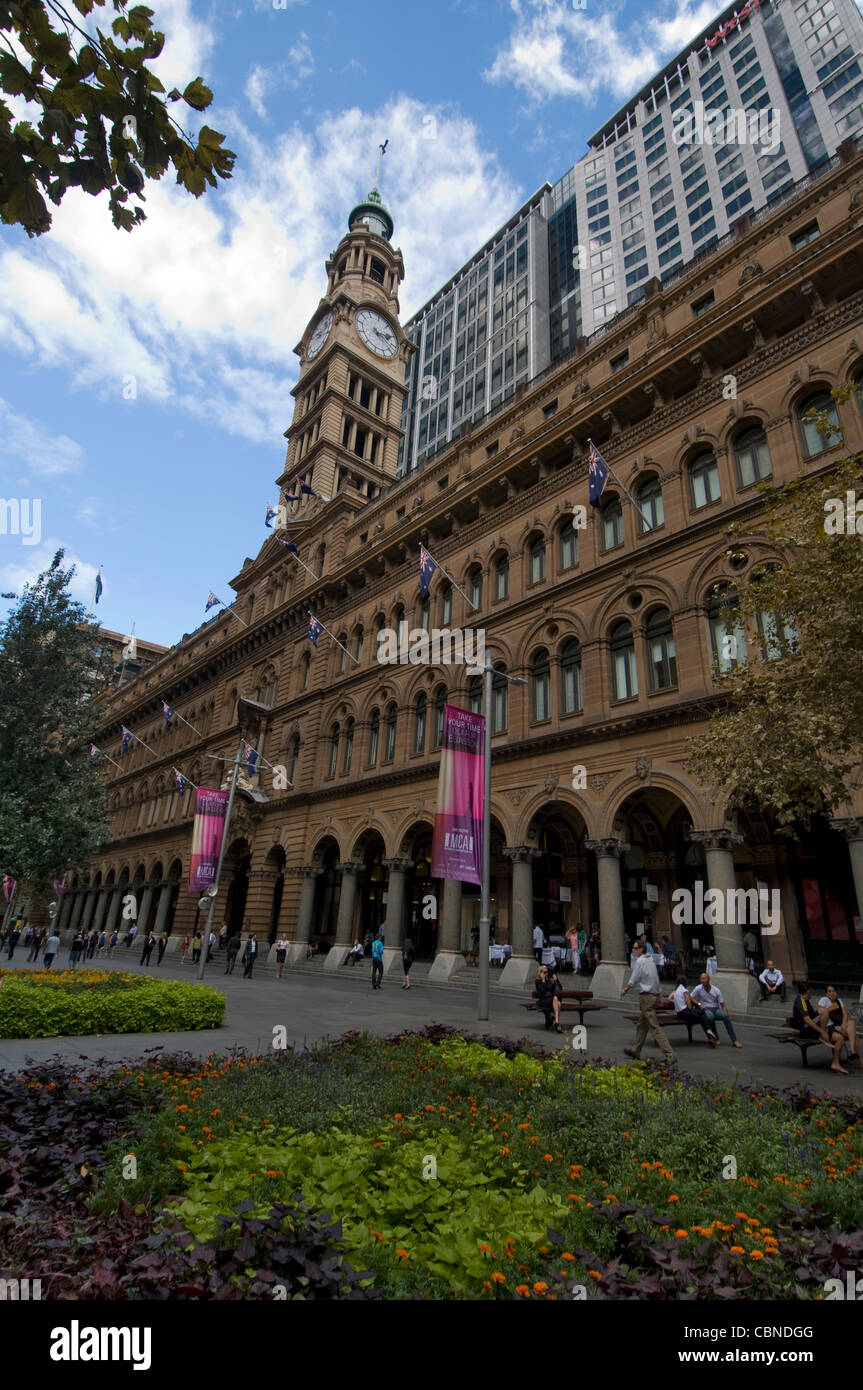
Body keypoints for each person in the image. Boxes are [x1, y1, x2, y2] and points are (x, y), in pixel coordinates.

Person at [621, 941, 675, 1065]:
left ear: (641, 949)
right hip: (653, 995)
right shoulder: (650, 961)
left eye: (635, 948)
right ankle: (636, 1050)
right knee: (642, 1024)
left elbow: (635, 977)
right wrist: (659, 995)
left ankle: (669, 1054)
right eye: (633, 948)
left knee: (653, 1026)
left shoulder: (640, 961)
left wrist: (626, 989)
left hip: (646, 996)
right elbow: (656, 979)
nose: (633, 951)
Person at [793, 983, 849, 1075]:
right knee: (824, 1012)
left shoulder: (806, 1001)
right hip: (806, 1030)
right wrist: (821, 1031)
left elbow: (814, 1017)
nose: (812, 994)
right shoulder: (801, 1001)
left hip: (818, 1028)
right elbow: (807, 1020)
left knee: (840, 1038)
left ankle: (835, 1063)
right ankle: (822, 1036)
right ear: (807, 992)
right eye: (811, 992)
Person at [691, 973, 742, 1047]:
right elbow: (690, 997)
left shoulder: (716, 990)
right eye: (701, 979)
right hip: (705, 1008)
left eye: (704, 978)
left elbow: (723, 1004)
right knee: (710, 1017)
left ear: (708, 979)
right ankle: (716, 1038)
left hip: (715, 1008)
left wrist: (725, 1013)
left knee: (725, 1017)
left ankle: (734, 1040)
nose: (703, 981)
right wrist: (699, 1004)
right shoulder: (698, 988)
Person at [669, 974, 719, 1045]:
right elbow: (689, 1005)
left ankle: (709, 1032)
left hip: (679, 1013)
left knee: (701, 1014)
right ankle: (709, 1032)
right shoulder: (684, 991)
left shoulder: (676, 990)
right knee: (702, 1017)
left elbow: (669, 998)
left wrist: (677, 1002)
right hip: (685, 1012)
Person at [817, 985, 859, 1063]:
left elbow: (845, 1014)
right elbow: (819, 1011)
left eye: (833, 991)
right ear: (826, 994)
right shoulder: (824, 1000)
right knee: (854, 1035)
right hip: (828, 1026)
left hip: (838, 1024)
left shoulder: (839, 1000)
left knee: (851, 1023)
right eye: (829, 991)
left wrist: (843, 1025)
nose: (832, 993)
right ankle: (838, 1060)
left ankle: (852, 1049)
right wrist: (832, 1008)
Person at [534, 963, 563, 1033]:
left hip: (551, 1000)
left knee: (558, 1002)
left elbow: (558, 989)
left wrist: (556, 981)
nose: (546, 974)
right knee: (557, 1001)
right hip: (543, 1001)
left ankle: (556, 1022)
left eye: (547, 972)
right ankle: (557, 1023)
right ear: (540, 972)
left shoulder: (549, 980)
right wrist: (543, 981)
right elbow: (542, 991)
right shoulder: (537, 981)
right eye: (544, 972)